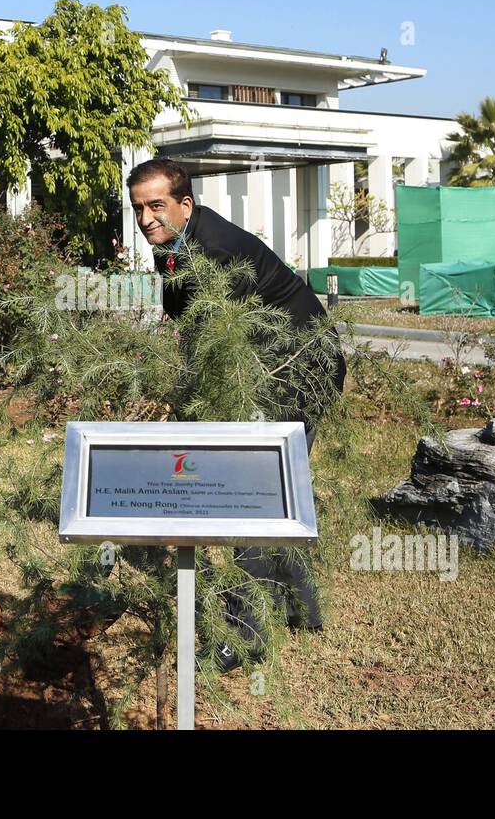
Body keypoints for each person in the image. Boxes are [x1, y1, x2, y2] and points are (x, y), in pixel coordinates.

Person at [128, 157, 345, 670]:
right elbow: (185, 320)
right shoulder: (175, 245)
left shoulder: (217, 251)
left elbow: (223, 343)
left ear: (186, 204)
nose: (145, 219)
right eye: (138, 208)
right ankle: (302, 609)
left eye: (156, 205)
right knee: (271, 488)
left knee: (248, 491)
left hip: (295, 367)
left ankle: (246, 634)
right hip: (261, 363)